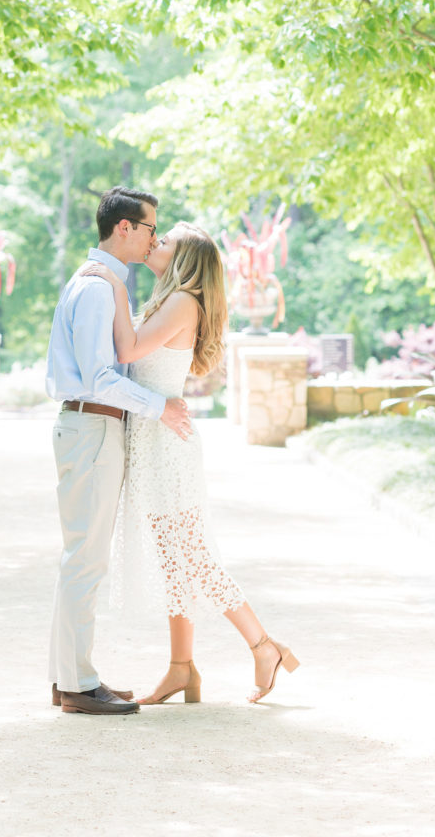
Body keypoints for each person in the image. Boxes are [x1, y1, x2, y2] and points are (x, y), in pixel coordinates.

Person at [81, 221, 299, 705]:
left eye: (166, 240)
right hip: (158, 437)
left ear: (184, 259)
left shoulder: (181, 302)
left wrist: (113, 282)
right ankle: (182, 668)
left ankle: (264, 647)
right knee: (174, 560)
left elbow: (128, 349)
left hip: (168, 443)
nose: (155, 242)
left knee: (192, 558)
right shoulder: (169, 297)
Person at [45, 187, 193, 716]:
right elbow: (98, 376)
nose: (156, 235)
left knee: (80, 560)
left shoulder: (107, 284)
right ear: (125, 228)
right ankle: (78, 686)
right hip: (92, 428)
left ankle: (68, 679)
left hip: (95, 430)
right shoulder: (97, 289)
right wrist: (160, 406)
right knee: (85, 561)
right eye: (152, 226)